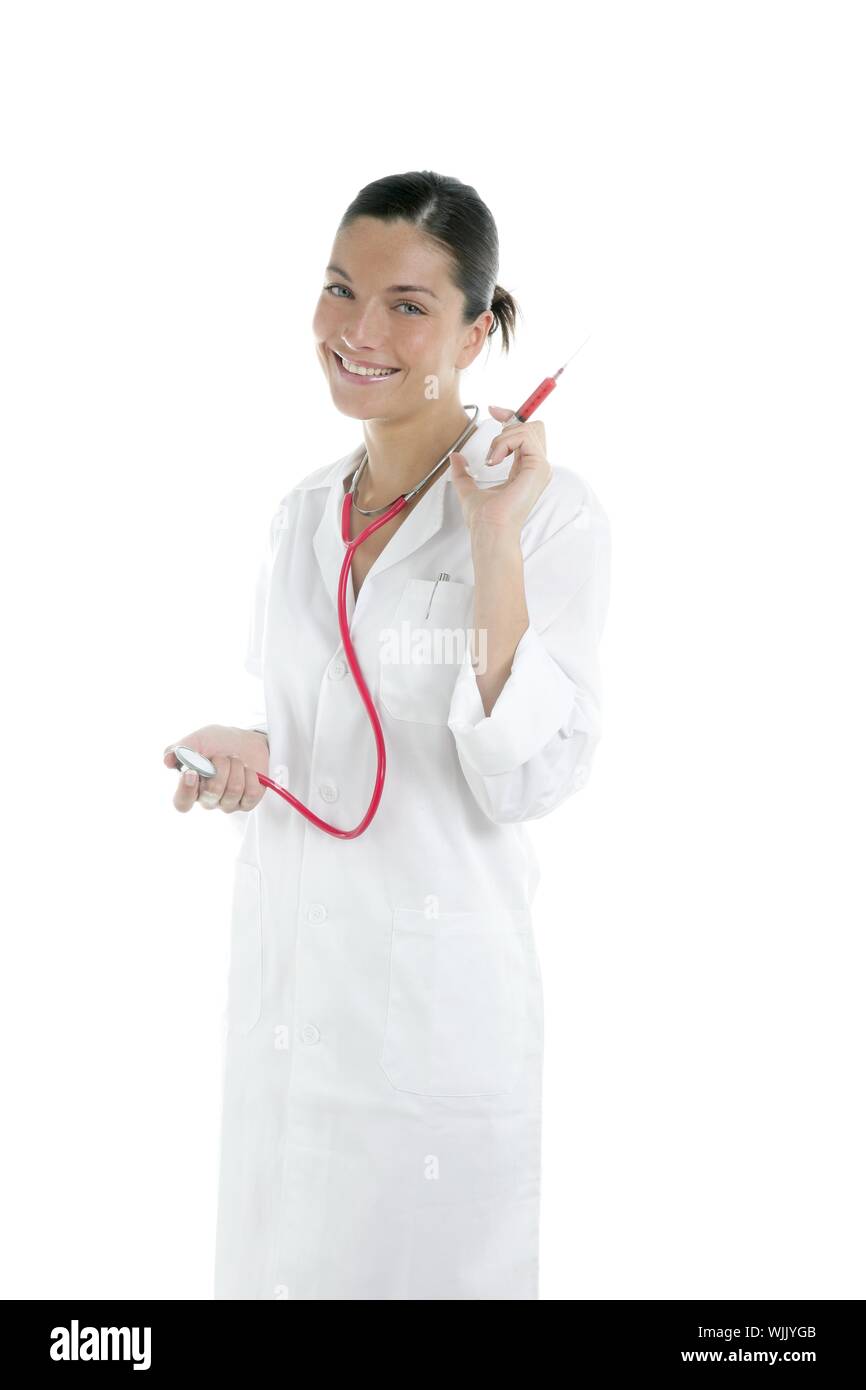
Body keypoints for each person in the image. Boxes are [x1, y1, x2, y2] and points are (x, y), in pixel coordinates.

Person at [164, 170, 611, 1300]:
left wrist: (492, 538)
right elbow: (327, 729)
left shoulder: (553, 515)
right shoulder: (301, 513)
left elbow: (526, 777)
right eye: (340, 289)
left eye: (408, 305)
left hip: (432, 1033)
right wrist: (254, 752)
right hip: (290, 1014)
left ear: (477, 331)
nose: (358, 332)